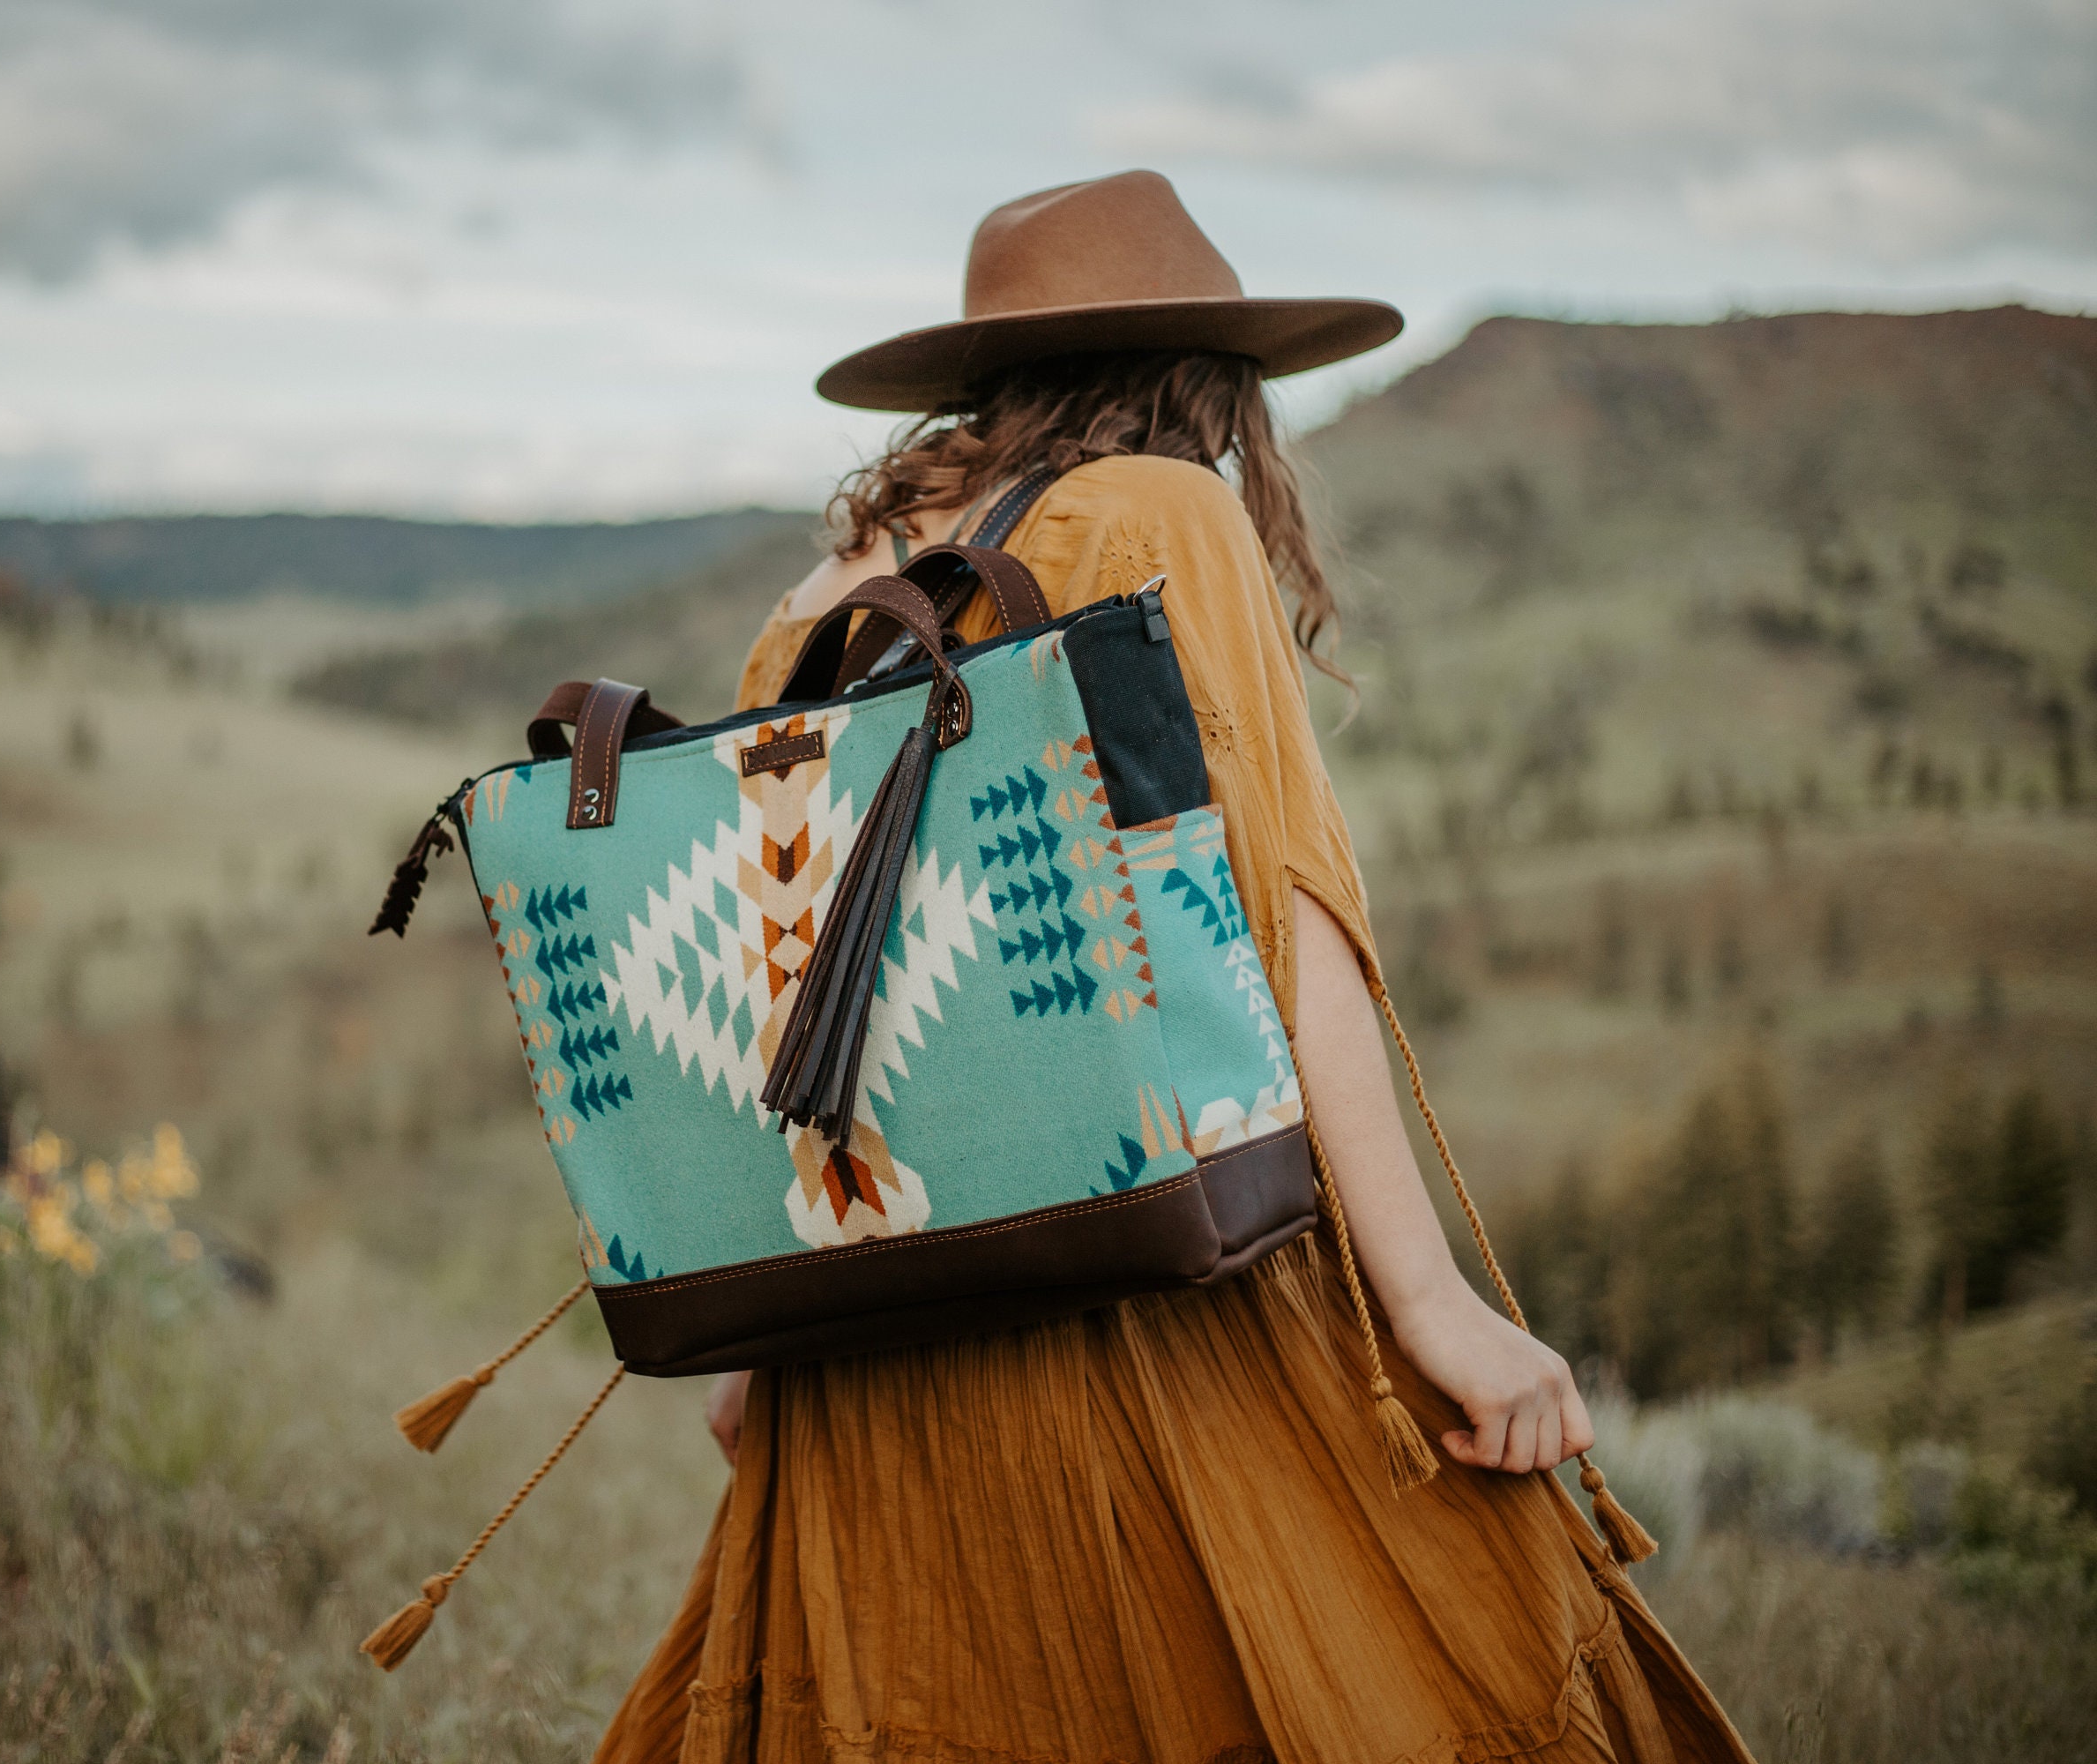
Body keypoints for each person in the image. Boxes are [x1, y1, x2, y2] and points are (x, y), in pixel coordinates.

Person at [593, 173, 1752, 1764]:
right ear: (1210, 376)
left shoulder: (824, 597)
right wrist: (1430, 1303)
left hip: (867, 1324)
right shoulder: (1157, 512)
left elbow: (781, 977)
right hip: (1134, 1283)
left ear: (987, 373)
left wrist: (762, 1340)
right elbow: (1281, 918)